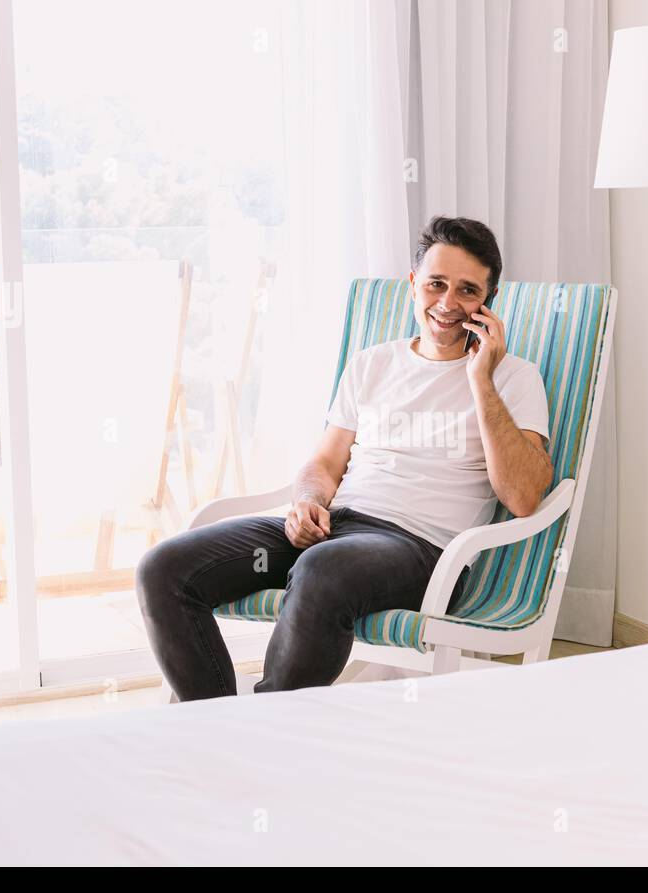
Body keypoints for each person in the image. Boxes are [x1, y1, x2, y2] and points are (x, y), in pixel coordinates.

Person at [135, 216, 552, 701]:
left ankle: (274, 731)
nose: (447, 303)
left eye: (467, 291)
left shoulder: (514, 379)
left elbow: (523, 498)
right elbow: (325, 463)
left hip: (419, 552)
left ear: (488, 303)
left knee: (321, 570)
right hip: (332, 531)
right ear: (413, 284)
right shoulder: (373, 363)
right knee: (163, 569)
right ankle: (218, 724)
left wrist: (480, 379)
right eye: (436, 284)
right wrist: (307, 501)